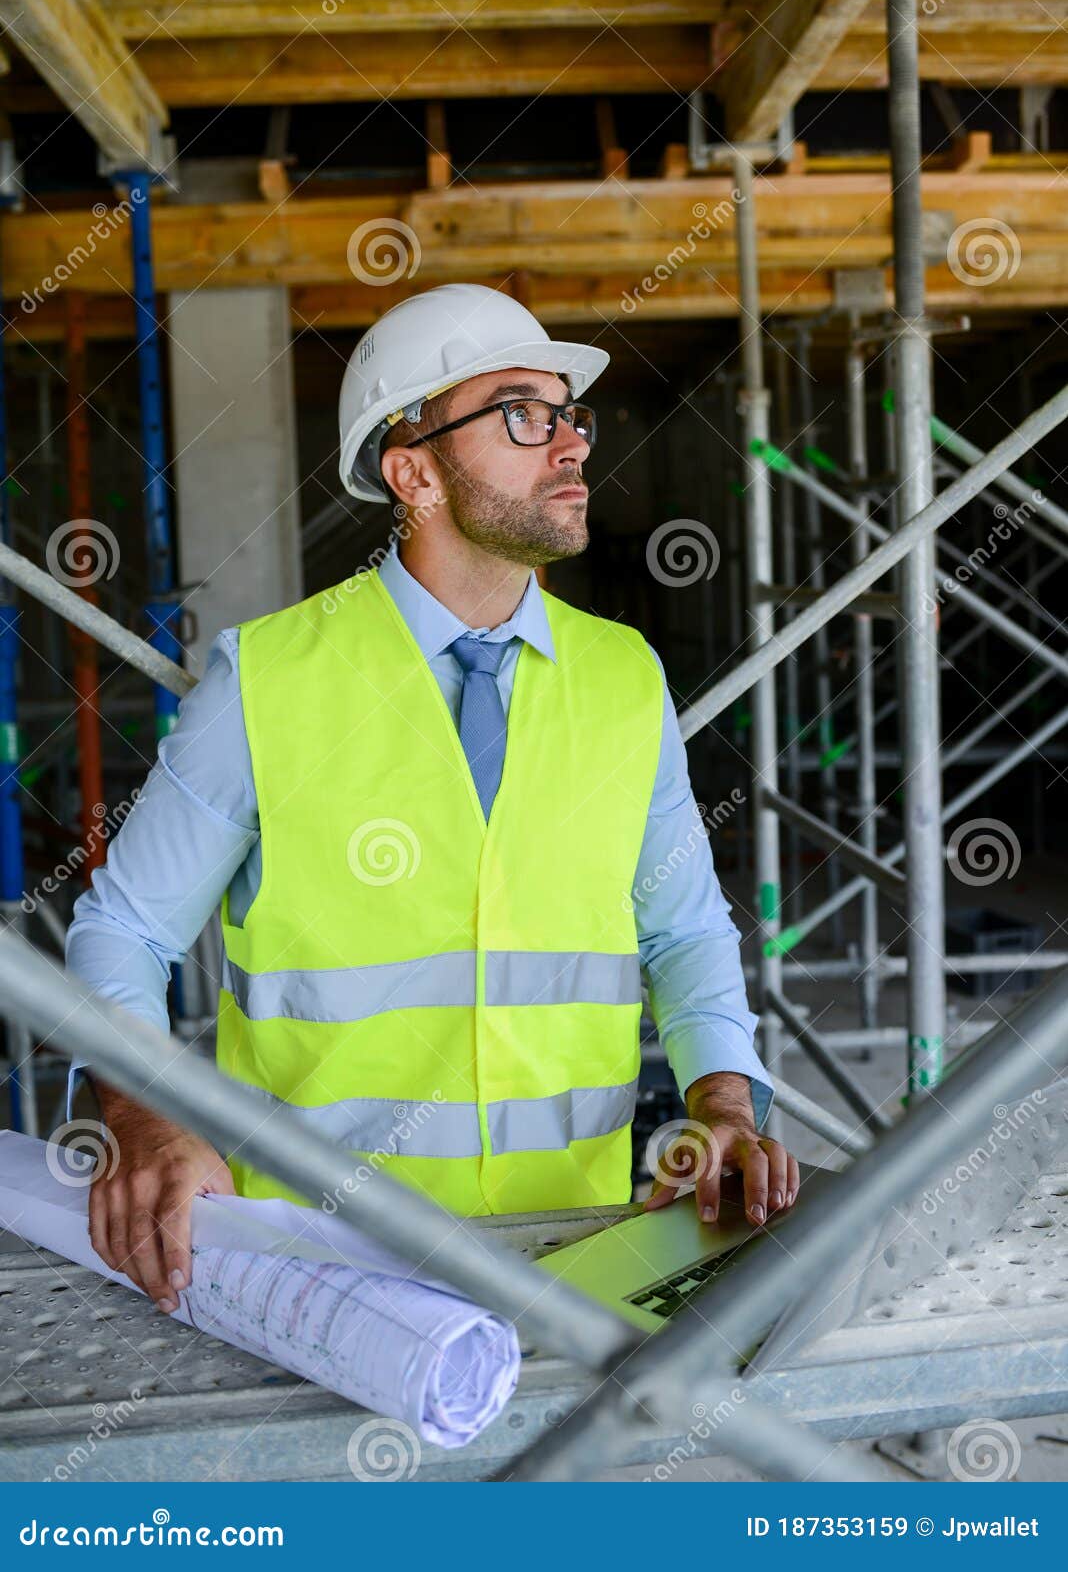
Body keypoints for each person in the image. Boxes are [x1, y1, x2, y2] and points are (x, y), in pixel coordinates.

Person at [67, 282, 798, 1317]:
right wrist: (145, 1119)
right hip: (319, 1266)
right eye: (522, 413)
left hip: (574, 1254)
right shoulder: (268, 680)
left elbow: (683, 933)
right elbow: (122, 932)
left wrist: (725, 1098)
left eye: (570, 415)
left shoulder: (623, 676)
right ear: (413, 472)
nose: (570, 444)